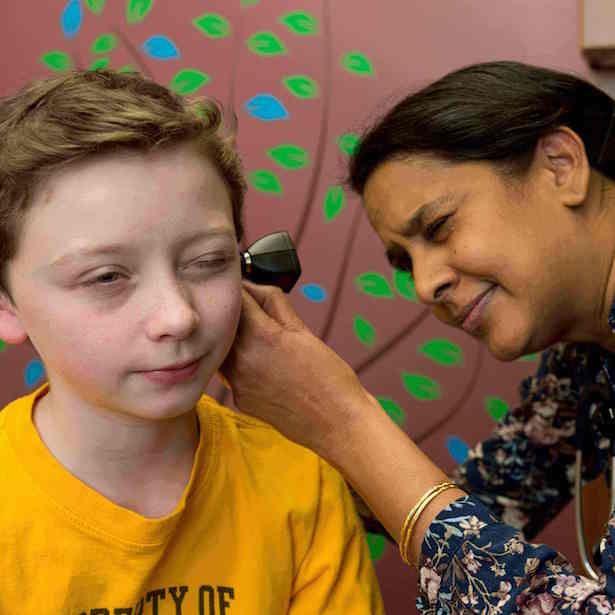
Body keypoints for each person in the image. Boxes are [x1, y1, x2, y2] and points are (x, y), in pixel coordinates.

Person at [220, 60, 615, 614]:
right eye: (405, 262)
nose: (426, 286)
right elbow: (489, 507)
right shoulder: (584, 368)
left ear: (560, 166)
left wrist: (346, 421)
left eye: (439, 227)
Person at [0, 70, 385, 614]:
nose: (178, 317)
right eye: (107, 277)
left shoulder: (301, 487)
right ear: (6, 304)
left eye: (208, 263)